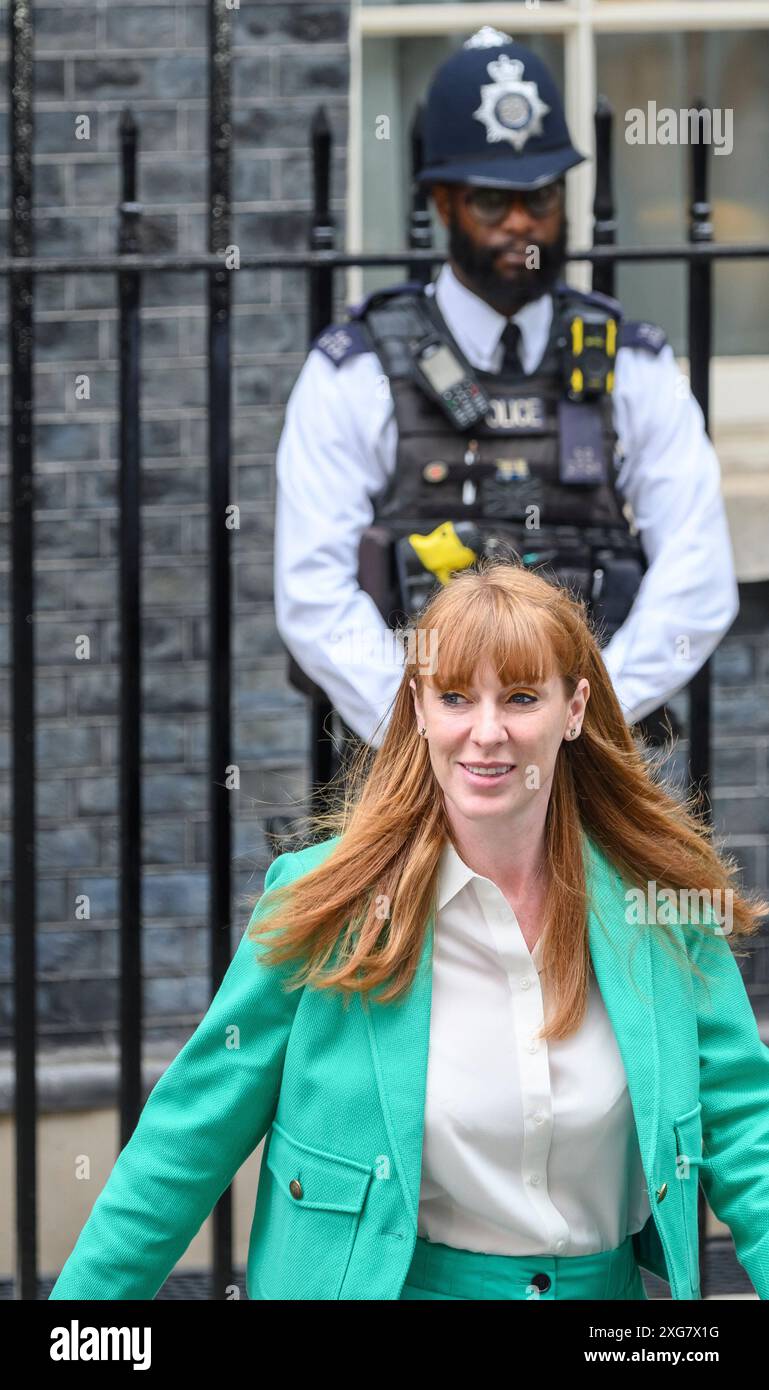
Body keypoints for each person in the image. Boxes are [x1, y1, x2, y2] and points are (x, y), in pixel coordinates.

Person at [49, 559, 769, 1301]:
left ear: (575, 707)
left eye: (521, 698)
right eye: (455, 697)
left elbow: (750, 1140)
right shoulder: (324, 903)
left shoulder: (663, 907)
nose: (486, 733)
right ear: (419, 707)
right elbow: (185, 1141)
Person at [274, 27, 738, 755]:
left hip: (596, 758)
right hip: (415, 760)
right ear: (441, 201)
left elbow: (698, 572)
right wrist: (436, 733)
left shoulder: (633, 365)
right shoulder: (356, 369)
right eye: (493, 200)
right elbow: (312, 594)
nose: (521, 223)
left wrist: (580, 721)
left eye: (541, 196)